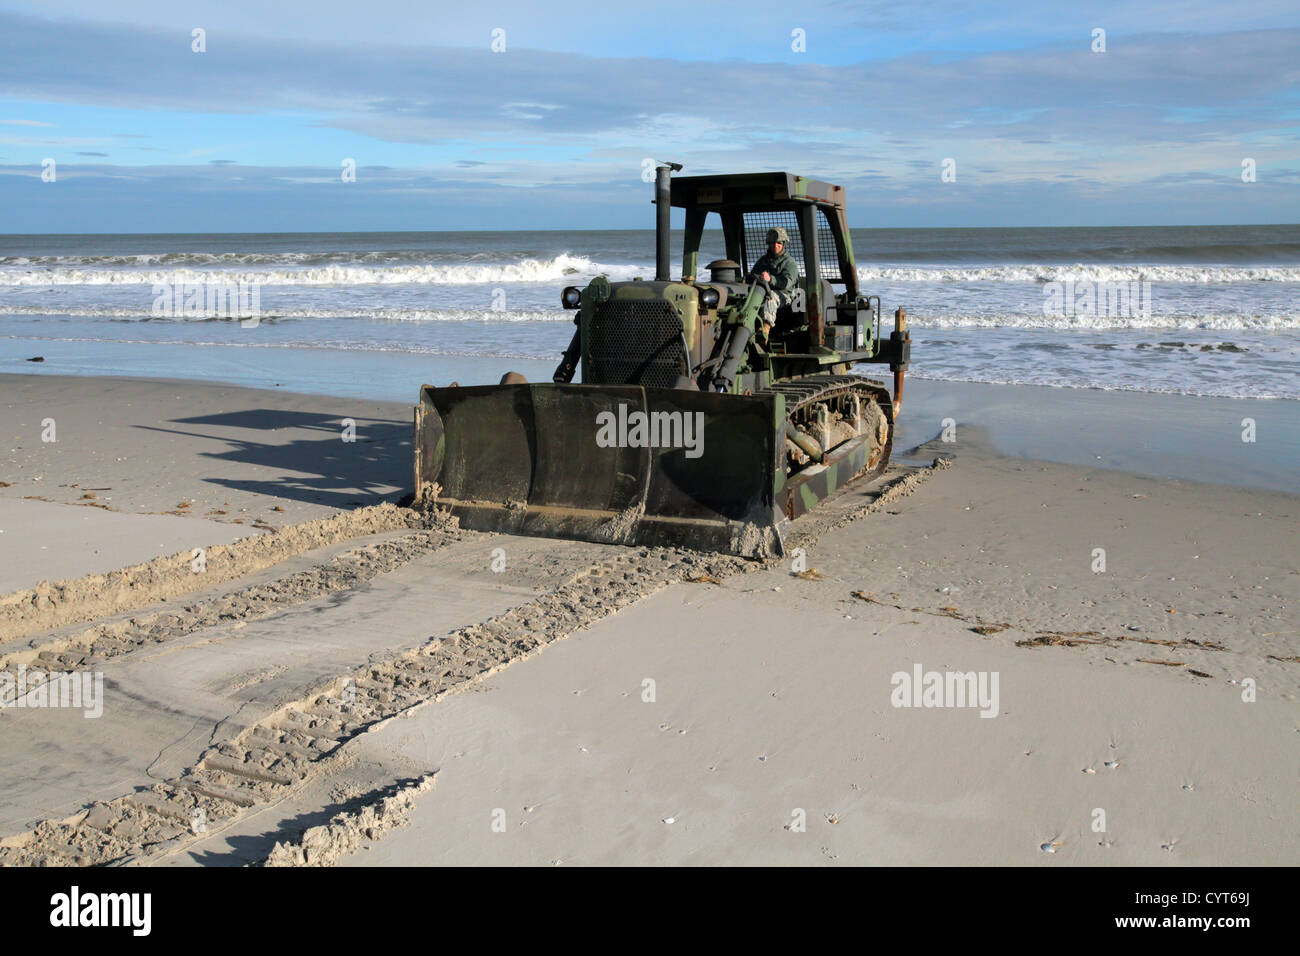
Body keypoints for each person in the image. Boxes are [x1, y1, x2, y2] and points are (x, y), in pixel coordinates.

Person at [748, 226, 800, 337]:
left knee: (770, 296)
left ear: (783, 244)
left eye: (778, 243)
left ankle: (765, 329)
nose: (775, 246)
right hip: (761, 293)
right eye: (772, 243)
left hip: (784, 296)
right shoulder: (763, 261)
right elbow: (752, 275)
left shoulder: (789, 262)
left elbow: (786, 283)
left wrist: (770, 279)